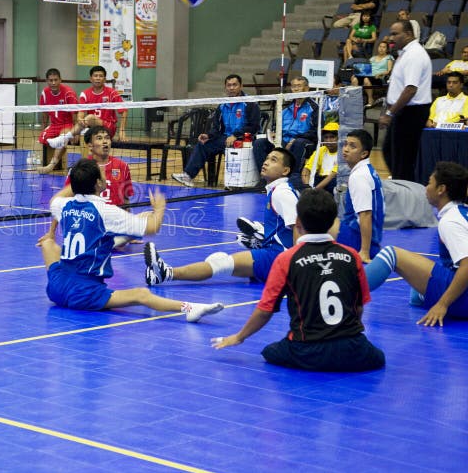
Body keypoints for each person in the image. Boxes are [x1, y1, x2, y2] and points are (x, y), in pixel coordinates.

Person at [211, 188, 385, 372]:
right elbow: (358, 307)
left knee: (270, 352)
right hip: (353, 349)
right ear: (334, 223)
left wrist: (239, 337)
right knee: (378, 357)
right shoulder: (352, 256)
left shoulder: (287, 259)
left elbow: (265, 310)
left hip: (308, 350)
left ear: (298, 223)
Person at [37, 158, 225, 321]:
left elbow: (56, 198)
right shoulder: (106, 211)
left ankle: (114, 240)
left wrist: (78, 178)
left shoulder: (63, 205)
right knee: (140, 294)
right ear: (97, 184)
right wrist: (159, 209)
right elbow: (152, 228)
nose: (105, 178)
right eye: (102, 176)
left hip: (57, 288)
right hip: (85, 293)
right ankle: (189, 309)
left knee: (47, 243)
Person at [146, 148, 299, 286]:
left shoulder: (282, 193)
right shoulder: (277, 190)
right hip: (275, 254)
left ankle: (166, 272)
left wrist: (299, 268)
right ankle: (261, 238)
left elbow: (300, 229)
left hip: (278, 258)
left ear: (285, 171)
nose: (266, 163)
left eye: (273, 160)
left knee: (220, 263)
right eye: (267, 158)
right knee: (222, 265)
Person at [365, 162, 468, 326]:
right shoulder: (463, 212)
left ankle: (346, 291)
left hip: (464, 298)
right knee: (416, 293)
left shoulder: (451, 221)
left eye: (429, 183)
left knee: (392, 254)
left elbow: (467, 266)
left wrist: (442, 304)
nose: (426, 188)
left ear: (441, 189)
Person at [171, 74, 260, 187]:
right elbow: (217, 128)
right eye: (229, 85)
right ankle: (188, 176)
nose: (231, 88)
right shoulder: (222, 105)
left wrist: (236, 135)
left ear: (241, 86)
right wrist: (208, 135)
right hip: (225, 139)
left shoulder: (250, 103)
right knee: (203, 144)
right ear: (225, 87)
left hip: (244, 139)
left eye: (234, 85)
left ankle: (234, 182)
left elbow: (254, 126)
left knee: (233, 148)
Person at [54, 125, 134, 250]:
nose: (105, 141)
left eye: (107, 138)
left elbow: (126, 200)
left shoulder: (122, 166)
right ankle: (108, 241)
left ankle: (111, 240)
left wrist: (129, 225)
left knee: (146, 217)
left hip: (113, 219)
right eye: (99, 138)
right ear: (90, 145)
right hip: (90, 219)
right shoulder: (81, 168)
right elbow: (62, 201)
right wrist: (51, 233)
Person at [379, 21, 433, 182]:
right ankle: (402, 185)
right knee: (389, 152)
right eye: (390, 33)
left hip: (411, 112)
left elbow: (410, 89)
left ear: (409, 34)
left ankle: (406, 193)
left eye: (395, 34)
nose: (390, 37)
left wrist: (390, 113)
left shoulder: (415, 54)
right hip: (402, 111)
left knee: (403, 160)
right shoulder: (405, 53)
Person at [252, 76, 319, 186]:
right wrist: (273, 134)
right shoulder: (285, 108)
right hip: (283, 140)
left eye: (299, 86)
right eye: (293, 86)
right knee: (260, 143)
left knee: (299, 144)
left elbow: (316, 131)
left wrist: (295, 138)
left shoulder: (314, 107)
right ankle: (266, 178)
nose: (296, 89)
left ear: (307, 89)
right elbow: (275, 126)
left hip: (304, 141)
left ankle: (292, 179)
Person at [45, 65, 128, 147]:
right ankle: (57, 159)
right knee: (83, 133)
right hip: (91, 127)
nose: (98, 78)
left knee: (90, 117)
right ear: (90, 79)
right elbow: (80, 114)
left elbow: (124, 111)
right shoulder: (85, 94)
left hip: (108, 127)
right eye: (95, 76)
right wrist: (80, 121)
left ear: (105, 79)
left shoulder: (112, 93)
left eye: (101, 76)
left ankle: (64, 137)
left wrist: (122, 130)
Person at [338, 130, 384, 262]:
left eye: (352, 146)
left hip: (355, 238)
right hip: (366, 238)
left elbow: (365, 215)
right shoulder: (367, 170)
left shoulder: (359, 176)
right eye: (346, 144)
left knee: (314, 224)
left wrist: (364, 251)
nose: (346, 149)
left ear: (364, 153)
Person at [37, 68, 78, 173]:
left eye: (56, 80)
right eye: (51, 80)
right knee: (42, 138)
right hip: (54, 125)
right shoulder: (45, 93)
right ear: (47, 81)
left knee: (62, 138)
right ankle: (51, 161)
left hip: (67, 124)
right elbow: (44, 113)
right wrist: (43, 128)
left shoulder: (68, 93)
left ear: (60, 80)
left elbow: (75, 113)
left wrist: (76, 131)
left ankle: (51, 165)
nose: (53, 83)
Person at [352, 40, 394, 108]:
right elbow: (367, 69)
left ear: (387, 49)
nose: (381, 48)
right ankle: (356, 100)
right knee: (354, 79)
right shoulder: (373, 58)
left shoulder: (389, 57)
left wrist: (380, 74)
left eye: (384, 47)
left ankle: (370, 99)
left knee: (366, 79)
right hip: (369, 76)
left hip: (379, 78)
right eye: (380, 46)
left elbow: (389, 71)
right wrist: (359, 73)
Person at [300, 122, 339, 195]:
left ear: (339, 138)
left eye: (332, 137)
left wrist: (314, 191)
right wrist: (307, 186)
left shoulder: (342, 153)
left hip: (333, 183)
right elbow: (307, 169)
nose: (328, 141)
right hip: (320, 181)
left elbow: (332, 176)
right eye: (326, 137)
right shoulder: (321, 150)